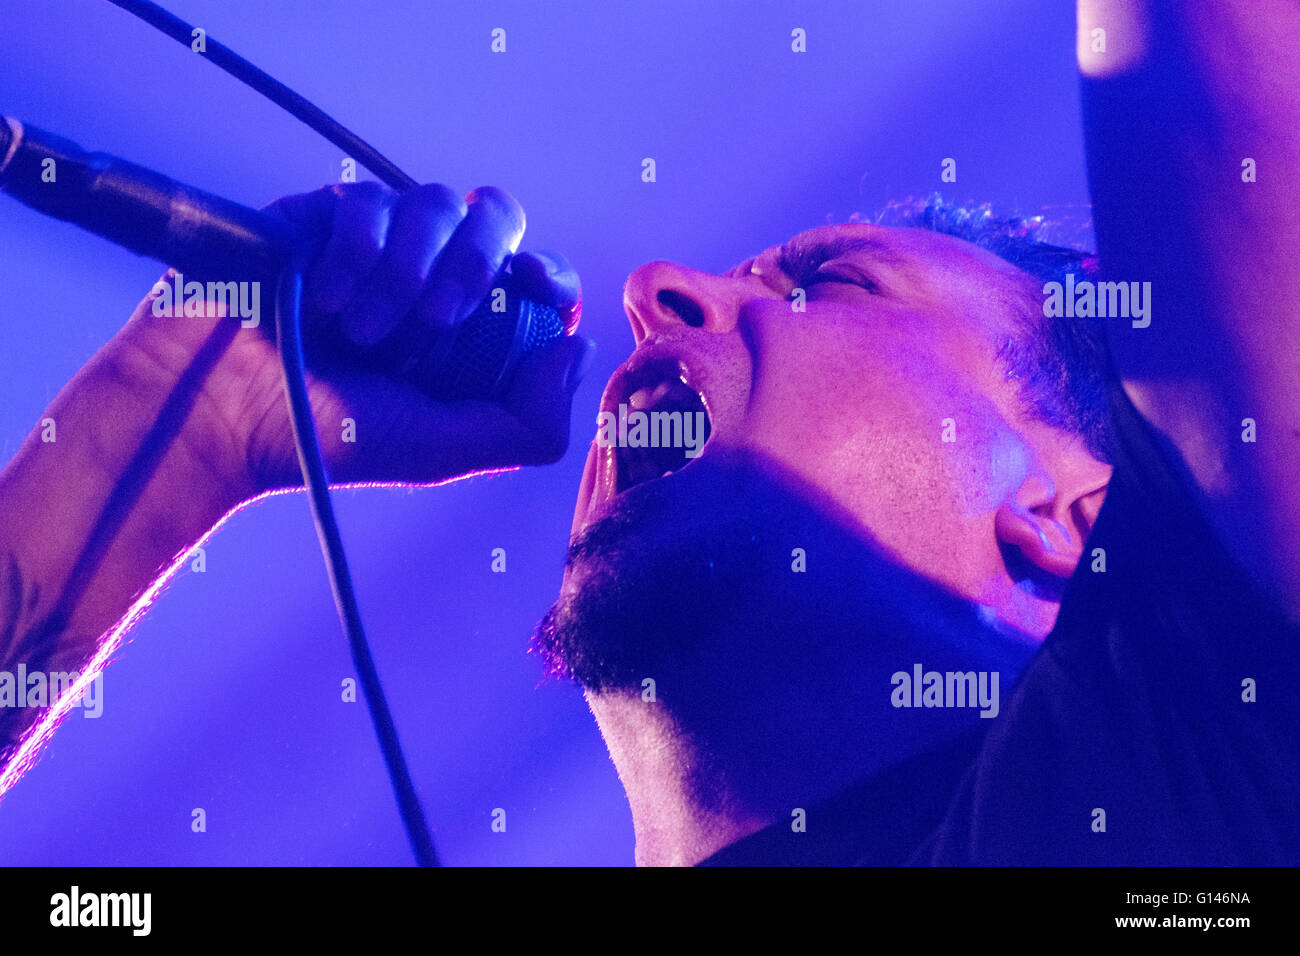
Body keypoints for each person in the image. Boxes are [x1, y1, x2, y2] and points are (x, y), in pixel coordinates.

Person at [1, 1, 1297, 865]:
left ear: (1072, 520)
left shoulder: (1184, 766)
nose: (656, 292)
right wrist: (172, 427)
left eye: (824, 283)